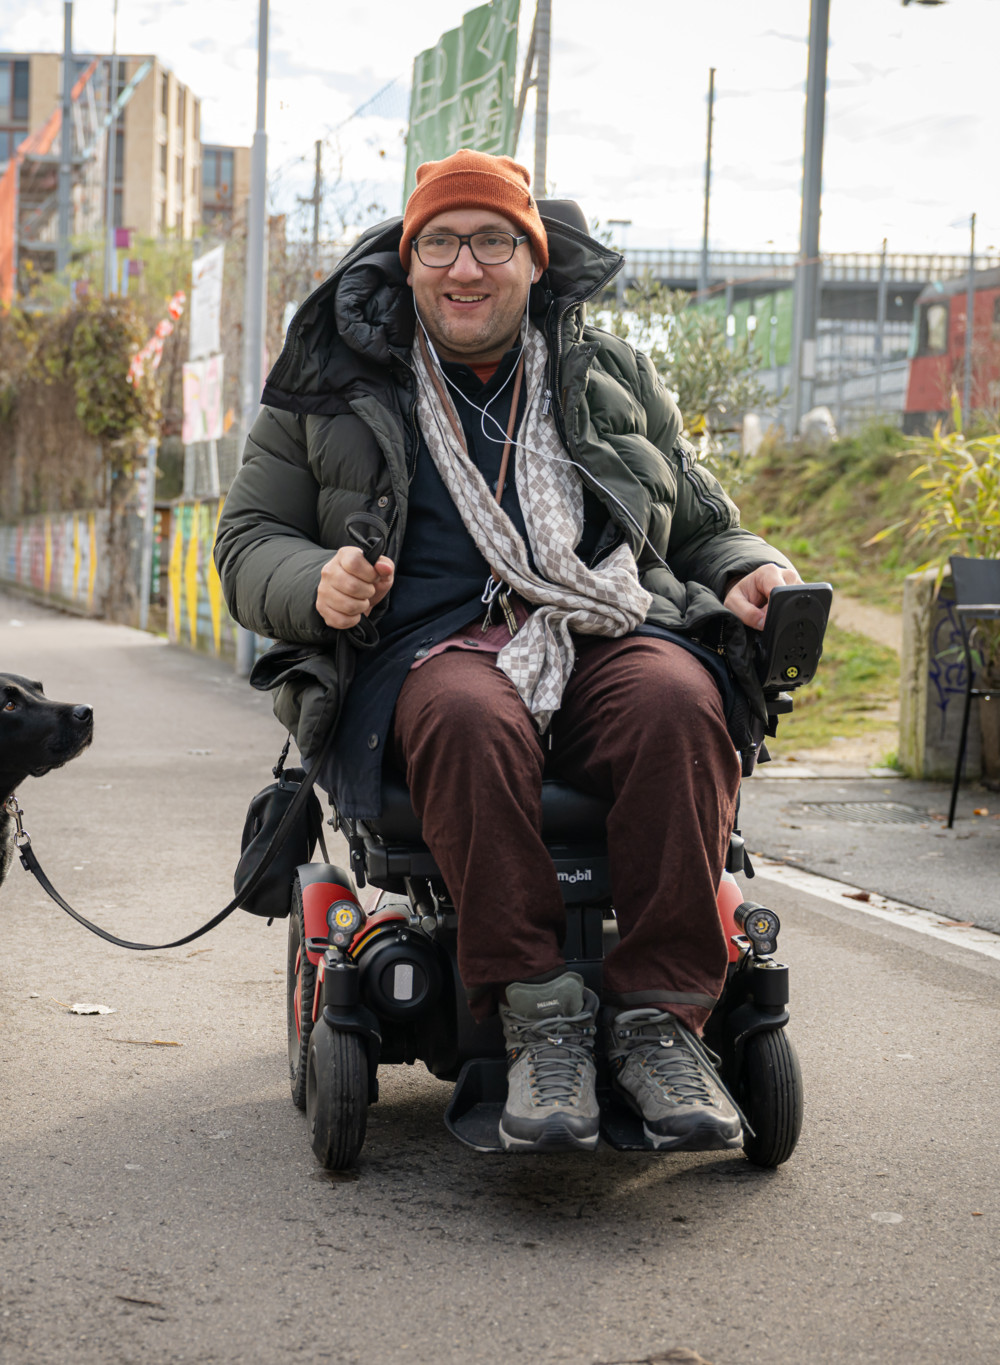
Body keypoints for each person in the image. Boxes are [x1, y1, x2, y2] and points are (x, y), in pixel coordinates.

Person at [214, 150, 803, 1154]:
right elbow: (246, 542)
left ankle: (661, 1018)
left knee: (678, 697)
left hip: (593, 626)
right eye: (439, 243)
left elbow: (701, 520)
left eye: (492, 241)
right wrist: (316, 583)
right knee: (466, 711)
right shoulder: (331, 381)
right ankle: (539, 1020)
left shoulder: (607, 372)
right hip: (417, 653)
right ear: (408, 262)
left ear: (534, 259)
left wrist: (747, 565)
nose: (464, 267)